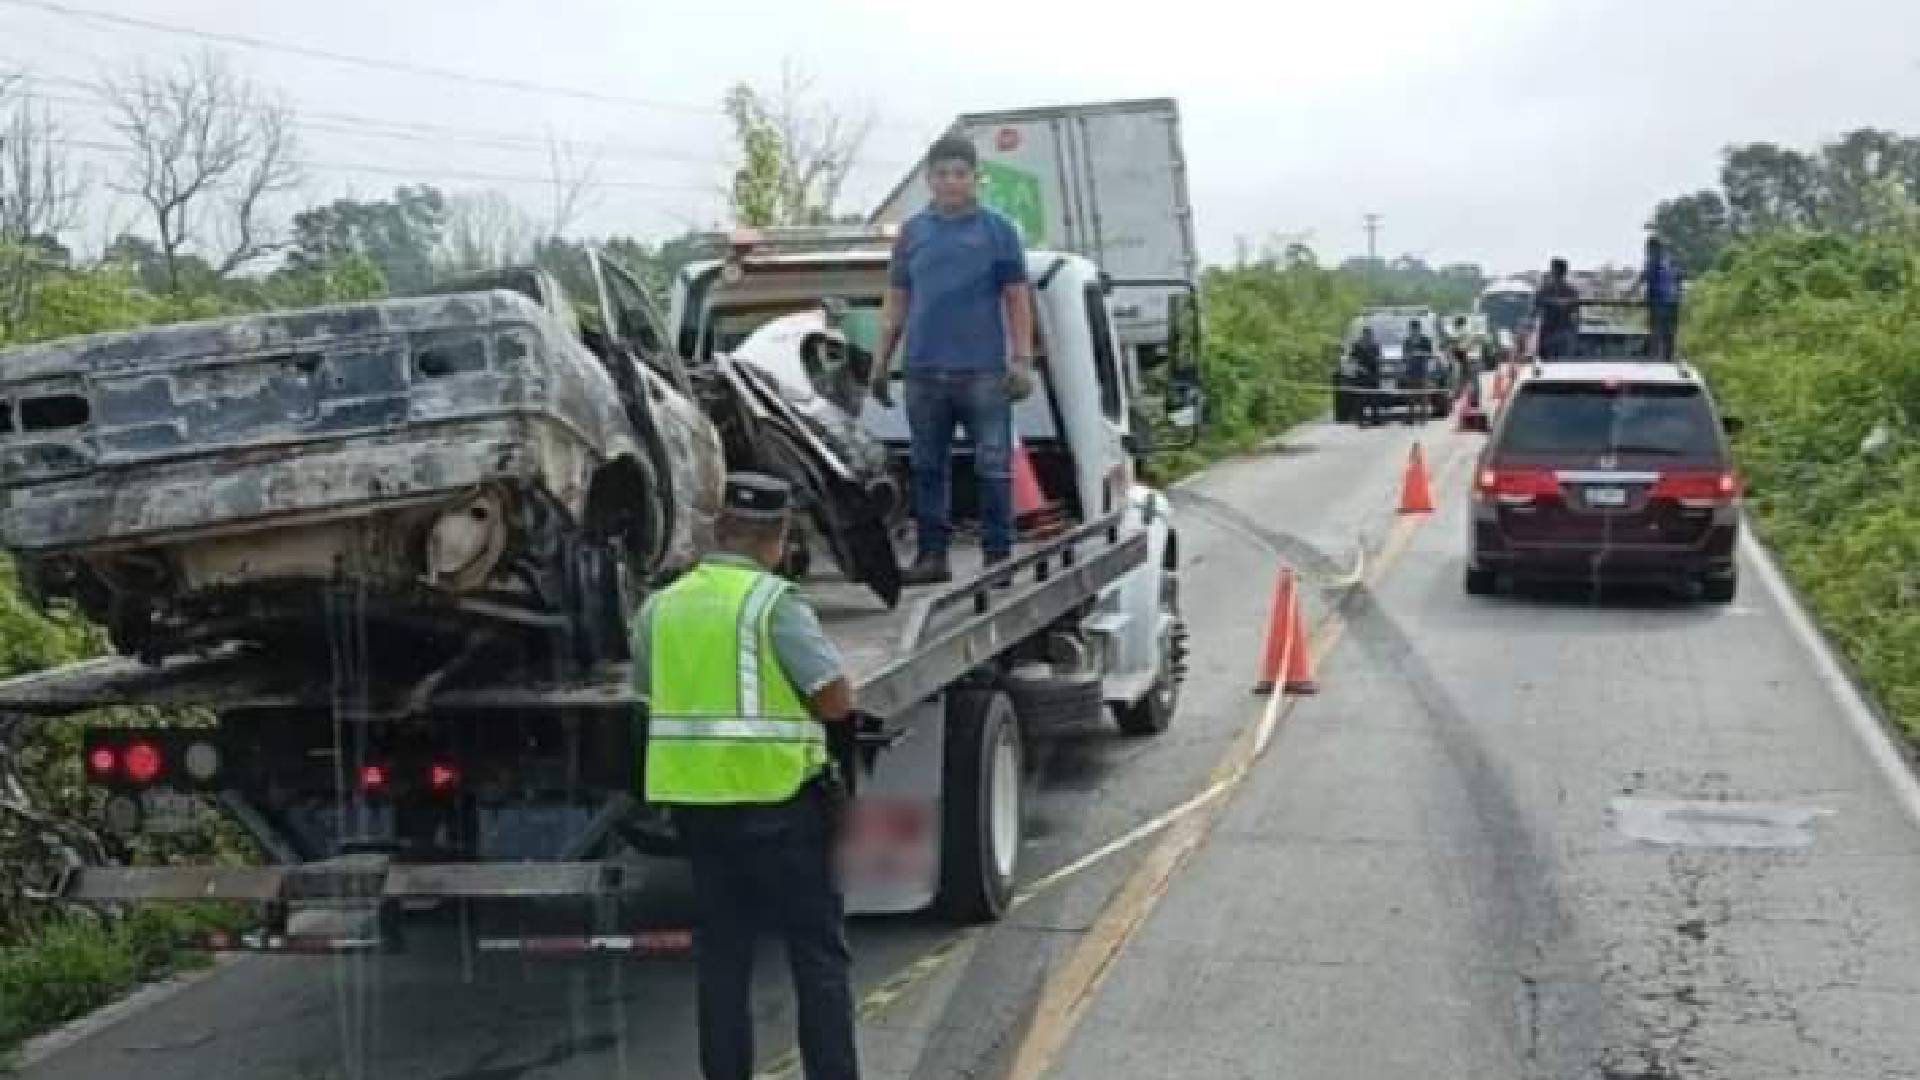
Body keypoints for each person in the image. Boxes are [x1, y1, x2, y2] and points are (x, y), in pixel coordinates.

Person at [634, 473, 860, 1080]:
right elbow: (835, 700)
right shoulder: (773, 603)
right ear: (778, 538)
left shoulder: (660, 607)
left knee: (723, 957)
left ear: (718, 530)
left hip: (697, 809)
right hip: (780, 805)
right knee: (816, 956)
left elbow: (647, 693)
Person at [875, 135, 1036, 586]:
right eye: (942, 174)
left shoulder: (999, 231)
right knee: (928, 466)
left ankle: (998, 558)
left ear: (974, 178)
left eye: (960, 174)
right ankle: (932, 557)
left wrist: (1022, 360)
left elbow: (1017, 298)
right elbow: (897, 299)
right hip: (923, 371)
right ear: (929, 179)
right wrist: (880, 362)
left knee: (993, 466)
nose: (951, 182)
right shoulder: (912, 233)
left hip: (983, 372)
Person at [1635, 235, 1684, 359]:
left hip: (1659, 301)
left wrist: (1629, 293)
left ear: (1652, 248)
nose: (1647, 252)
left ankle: (1653, 357)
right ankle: (1668, 357)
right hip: (1672, 302)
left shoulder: (1654, 260)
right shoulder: (1670, 261)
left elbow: (1644, 276)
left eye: (1648, 249)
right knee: (1669, 332)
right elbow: (1679, 279)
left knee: (1655, 329)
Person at [1533, 258, 1581, 359]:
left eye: (1557, 271)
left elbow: (1576, 313)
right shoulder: (1544, 291)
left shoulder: (1571, 292)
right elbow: (1536, 308)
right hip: (1549, 332)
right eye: (1555, 271)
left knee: (1564, 360)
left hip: (1563, 331)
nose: (1556, 274)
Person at [1348, 326, 1384, 427]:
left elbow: (1379, 358)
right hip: (1361, 375)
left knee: (1374, 397)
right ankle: (1361, 420)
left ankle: (1375, 419)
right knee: (1361, 398)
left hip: (1373, 374)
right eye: (1366, 335)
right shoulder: (1357, 346)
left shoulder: (1375, 346)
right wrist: (1360, 368)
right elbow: (1352, 359)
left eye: (1369, 335)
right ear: (1363, 335)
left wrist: (1378, 368)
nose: (1368, 337)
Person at [1402, 319, 1435, 424]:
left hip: (1422, 371)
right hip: (1411, 371)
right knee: (1411, 396)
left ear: (1419, 329)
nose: (1414, 330)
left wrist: (1421, 353)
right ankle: (1410, 417)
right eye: (1412, 328)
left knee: (1423, 396)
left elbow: (1430, 354)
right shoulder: (1407, 341)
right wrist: (1409, 356)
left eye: (1416, 328)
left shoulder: (1426, 340)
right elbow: (1404, 356)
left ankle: (1423, 418)